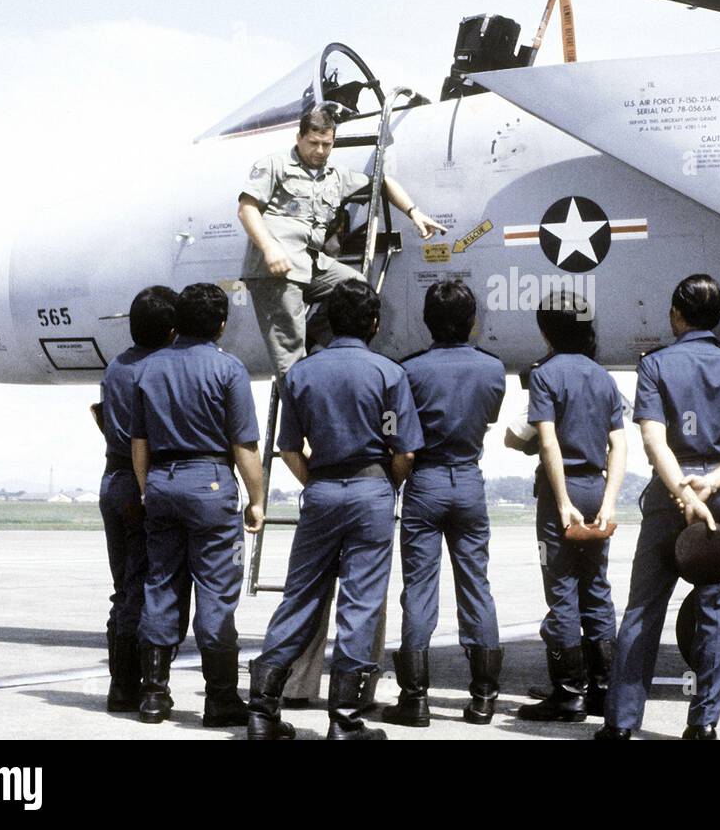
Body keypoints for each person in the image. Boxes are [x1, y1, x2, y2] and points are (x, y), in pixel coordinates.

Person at [246, 279, 423, 741]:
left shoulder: (301, 374)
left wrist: (320, 483)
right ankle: (345, 721)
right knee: (360, 604)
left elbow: (288, 450)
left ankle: (262, 712)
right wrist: (384, 485)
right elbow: (404, 452)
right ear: (374, 323)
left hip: (321, 492)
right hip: (372, 493)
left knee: (299, 597)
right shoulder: (389, 374)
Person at [597, 274, 720, 740]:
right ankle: (703, 725)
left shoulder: (654, 366)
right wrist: (710, 485)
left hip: (669, 497)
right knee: (716, 613)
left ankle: (620, 724)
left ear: (676, 314)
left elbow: (653, 439)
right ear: (719, 318)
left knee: (643, 611)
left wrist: (683, 491)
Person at [130, 283, 265, 727]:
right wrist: (257, 499)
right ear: (221, 324)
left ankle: (153, 695)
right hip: (209, 483)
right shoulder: (228, 369)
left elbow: (139, 441)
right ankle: (221, 697)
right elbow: (243, 444)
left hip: (162, 482)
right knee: (215, 592)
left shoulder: (148, 369)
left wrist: (148, 488)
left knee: (162, 583)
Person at [237, 106, 448, 380]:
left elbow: (382, 185)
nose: (321, 151)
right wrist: (269, 248)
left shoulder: (336, 176)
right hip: (278, 267)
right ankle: (299, 414)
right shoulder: (274, 165)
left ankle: (312, 337)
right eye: (314, 143)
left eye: (327, 144)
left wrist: (413, 212)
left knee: (356, 290)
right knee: (291, 363)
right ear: (298, 138)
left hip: (311, 262)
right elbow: (247, 208)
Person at [383, 280, 507, 727]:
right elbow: (487, 419)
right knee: (476, 586)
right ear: (473, 322)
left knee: (419, 591)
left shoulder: (408, 371)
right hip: (468, 480)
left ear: (427, 321)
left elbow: (402, 440)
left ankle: (414, 700)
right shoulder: (493, 369)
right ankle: (484, 698)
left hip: (425, 480)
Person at [517, 292, 626, 724]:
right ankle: (603, 691)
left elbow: (547, 443)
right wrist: (609, 502)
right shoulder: (604, 378)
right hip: (596, 488)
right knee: (596, 588)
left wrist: (561, 503)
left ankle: (567, 696)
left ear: (545, 331)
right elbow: (619, 444)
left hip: (560, 494)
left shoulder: (545, 376)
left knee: (561, 590)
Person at [91, 285, 177, 713]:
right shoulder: (162, 367)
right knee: (149, 585)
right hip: (143, 481)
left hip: (114, 478)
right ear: (172, 330)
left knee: (124, 586)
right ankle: (144, 685)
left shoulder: (117, 367)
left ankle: (120, 686)